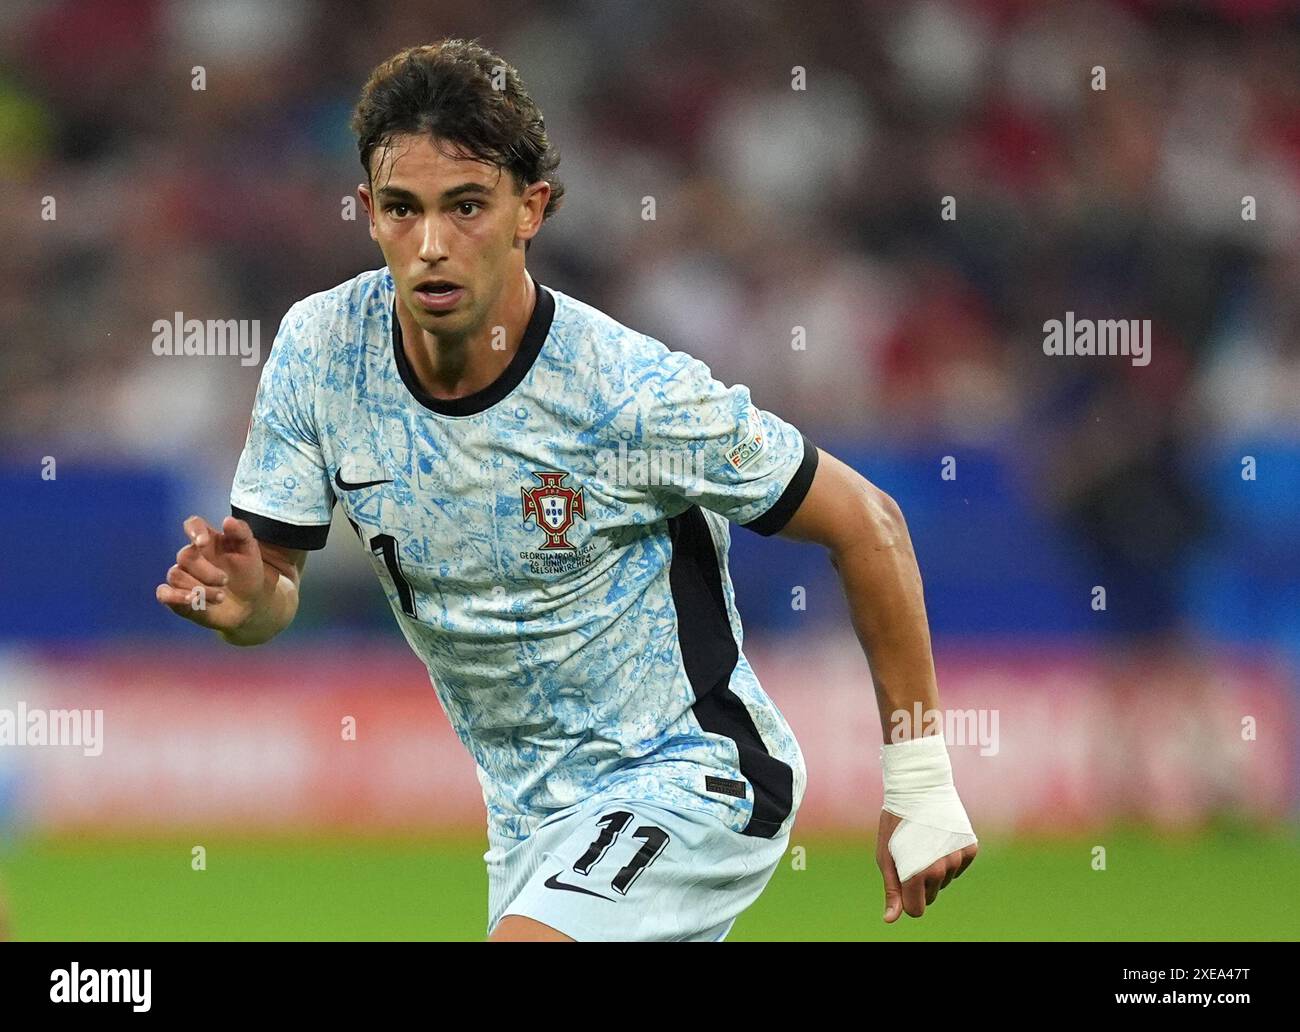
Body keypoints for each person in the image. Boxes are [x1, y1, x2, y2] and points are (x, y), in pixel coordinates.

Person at [155, 39, 977, 941]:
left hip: (693, 778)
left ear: (529, 209)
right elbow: (272, 590)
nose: (431, 245)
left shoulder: (626, 394)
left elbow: (869, 523)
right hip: (528, 830)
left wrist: (921, 783)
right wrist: (245, 604)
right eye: (403, 209)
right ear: (368, 212)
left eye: (466, 206)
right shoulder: (321, 354)